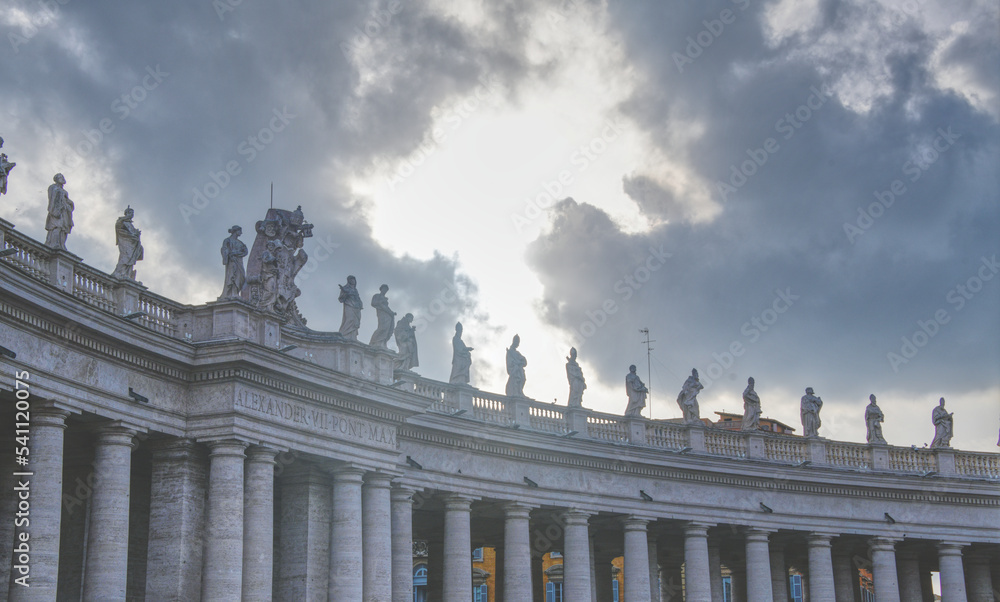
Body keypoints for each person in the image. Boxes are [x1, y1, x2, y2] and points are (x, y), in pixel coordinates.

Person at [44, 173, 74, 250]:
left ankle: (62, 245)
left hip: (65, 211)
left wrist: (70, 203)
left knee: (64, 228)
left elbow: (67, 200)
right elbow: (52, 198)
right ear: (56, 179)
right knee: (57, 227)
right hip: (56, 211)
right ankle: (54, 244)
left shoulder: (64, 191)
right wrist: (54, 211)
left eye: (63, 177)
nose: (62, 178)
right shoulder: (53, 187)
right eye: (60, 177)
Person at [112, 206, 143, 279]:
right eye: (131, 213)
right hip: (126, 243)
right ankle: (119, 273)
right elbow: (119, 228)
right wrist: (132, 235)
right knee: (125, 257)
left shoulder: (130, 224)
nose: (132, 214)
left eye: (133, 213)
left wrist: (137, 234)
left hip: (132, 244)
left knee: (130, 259)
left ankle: (127, 274)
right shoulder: (122, 221)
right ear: (127, 213)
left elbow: (133, 233)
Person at [219, 225, 248, 300]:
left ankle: (236, 292)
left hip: (239, 261)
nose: (241, 233)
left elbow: (245, 252)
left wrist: (236, 253)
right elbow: (224, 249)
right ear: (236, 231)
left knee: (241, 277)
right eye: (240, 231)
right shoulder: (227, 240)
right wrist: (228, 254)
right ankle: (231, 293)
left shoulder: (241, 243)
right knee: (232, 276)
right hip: (232, 261)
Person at [337, 275, 362, 340]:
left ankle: (353, 337)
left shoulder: (355, 290)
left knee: (355, 321)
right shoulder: (345, 288)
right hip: (349, 305)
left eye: (354, 279)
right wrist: (345, 293)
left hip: (357, 308)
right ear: (348, 280)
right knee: (349, 319)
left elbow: (358, 298)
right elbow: (341, 299)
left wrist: (360, 304)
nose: (353, 281)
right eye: (351, 279)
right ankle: (345, 335)